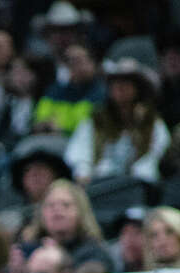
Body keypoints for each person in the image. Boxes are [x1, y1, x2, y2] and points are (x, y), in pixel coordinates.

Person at [64, 57, 170, 185]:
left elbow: (153, 157)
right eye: (115, 83)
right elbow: (79, 151)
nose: (119, 88)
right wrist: (83, 173)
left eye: (126, 83)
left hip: (138, 185)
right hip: (100, 184)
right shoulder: (97, 119)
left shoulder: (151, 121)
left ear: (137, 88)